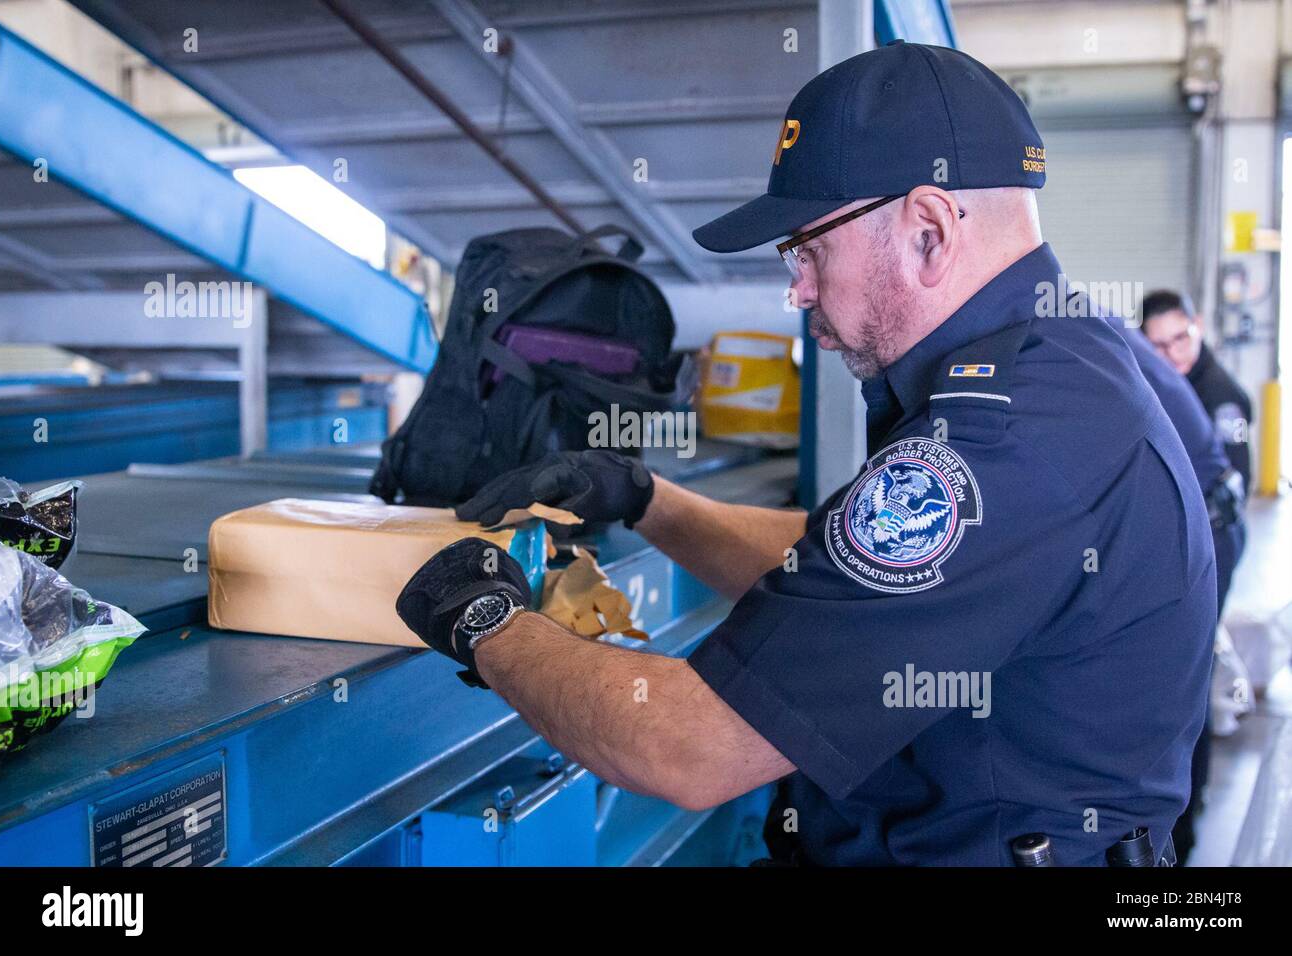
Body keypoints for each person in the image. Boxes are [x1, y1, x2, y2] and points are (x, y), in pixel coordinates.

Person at [396, 41, 1216, 866]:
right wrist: (647, 498)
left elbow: (690, 747)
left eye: (808, 248)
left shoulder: (1002, 439)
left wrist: (485, 621)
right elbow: (842, 578)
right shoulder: (1053, 357)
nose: (798, 289)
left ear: (929, 229)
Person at [1109, 316, 1246, 864]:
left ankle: (1181, 831)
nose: (1172, 352)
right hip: (1203, 520)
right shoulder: (1105, 340)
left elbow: (1233, 472)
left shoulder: (1222, 393)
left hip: (1211, 526)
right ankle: (1184, 819)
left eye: (1180, 339)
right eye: (1160, 341)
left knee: (1183, 677)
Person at [1140, 290, 1254, 495]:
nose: (1172, 352)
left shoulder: (1223, 397)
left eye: (1181, 338)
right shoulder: (1159, 385)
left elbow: (1238, 474)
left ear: (1198, 326)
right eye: (1158, 345)